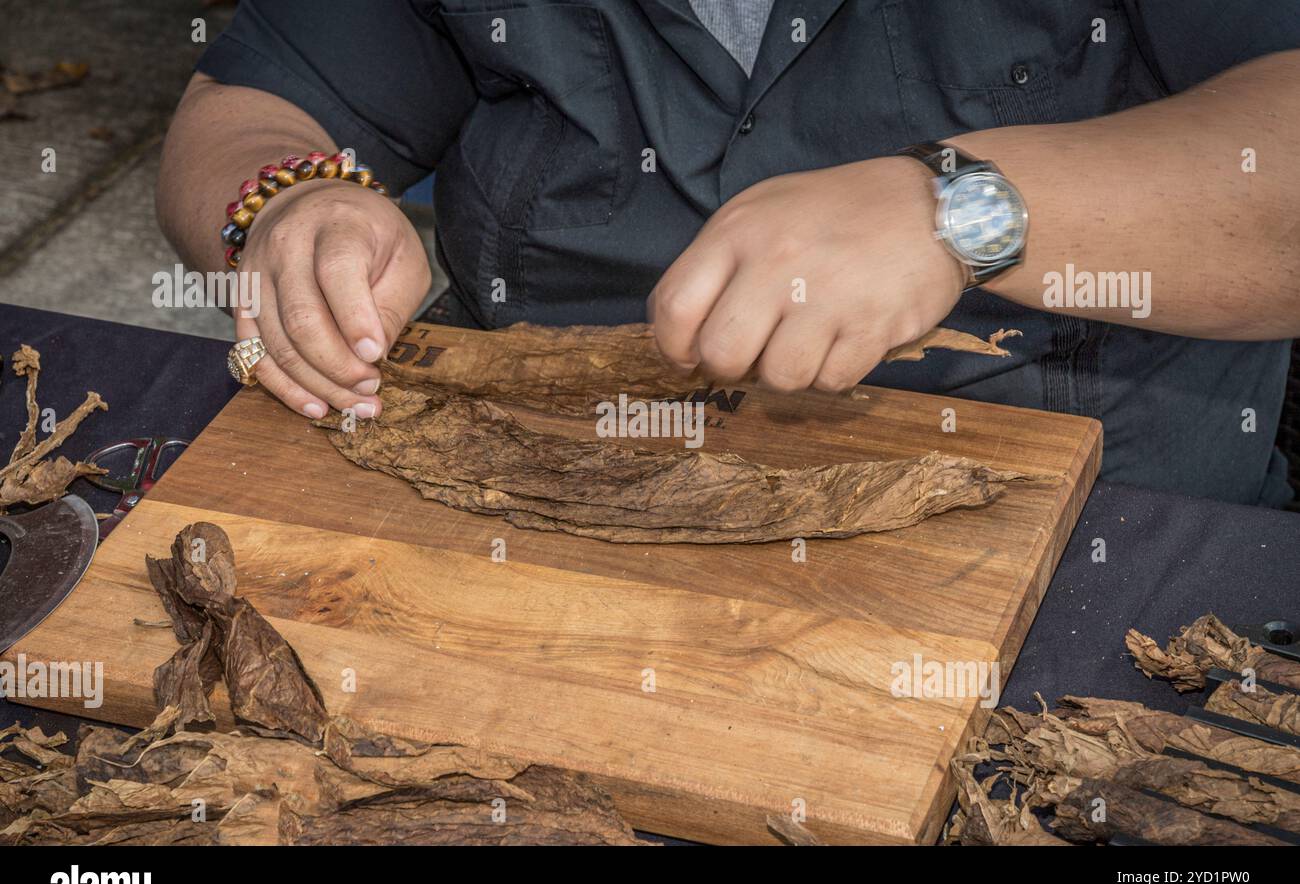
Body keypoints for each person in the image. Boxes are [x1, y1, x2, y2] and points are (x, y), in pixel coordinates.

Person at [157, 0, 1300, 506]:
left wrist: (962, 214)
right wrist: (282, 202)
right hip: (549, 477)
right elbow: (261, 96)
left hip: (1067, 502)